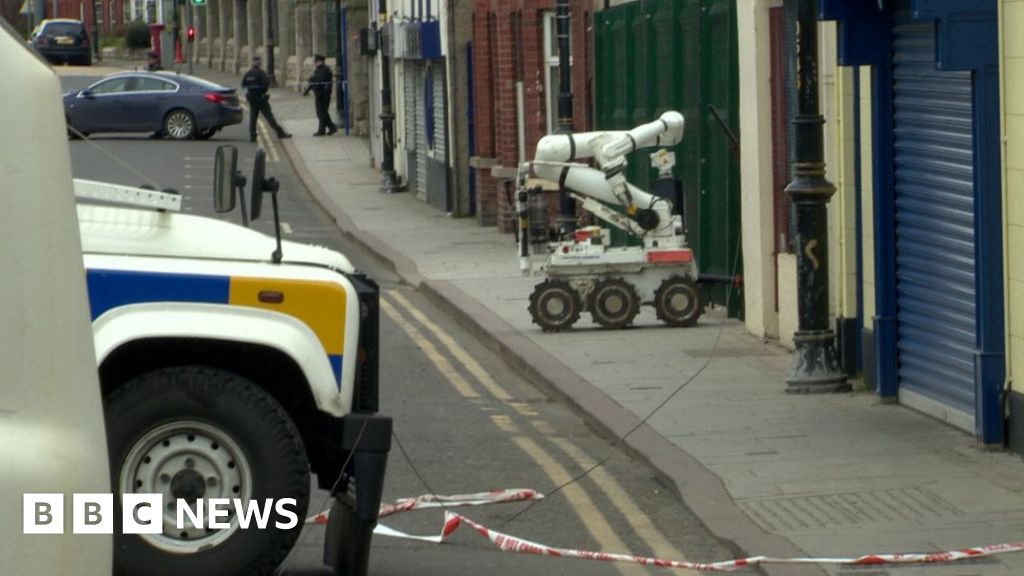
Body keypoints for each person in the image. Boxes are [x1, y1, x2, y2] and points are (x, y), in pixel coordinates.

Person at [241, 56, 291, 143]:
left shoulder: (248, 73)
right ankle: (280, 133)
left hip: (251, 98)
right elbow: (266, 83)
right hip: (261, 98)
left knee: (253, 117)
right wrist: (262, 90)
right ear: (259, 64)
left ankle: (252, 136)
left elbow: (243, 85)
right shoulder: (261, 73)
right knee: (269, 116)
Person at [304, 54, 337, 136]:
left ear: (320, 61)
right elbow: (312, 79)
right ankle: (332, 127)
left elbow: (319, 81)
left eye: (315, 61)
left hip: (324, 94)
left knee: (322, 113)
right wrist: (308, 89)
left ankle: (322, 130)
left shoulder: (325, 70)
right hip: (319, 94)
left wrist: (313, 86)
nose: (314, 63)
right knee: (322, 113)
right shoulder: (318, 69)